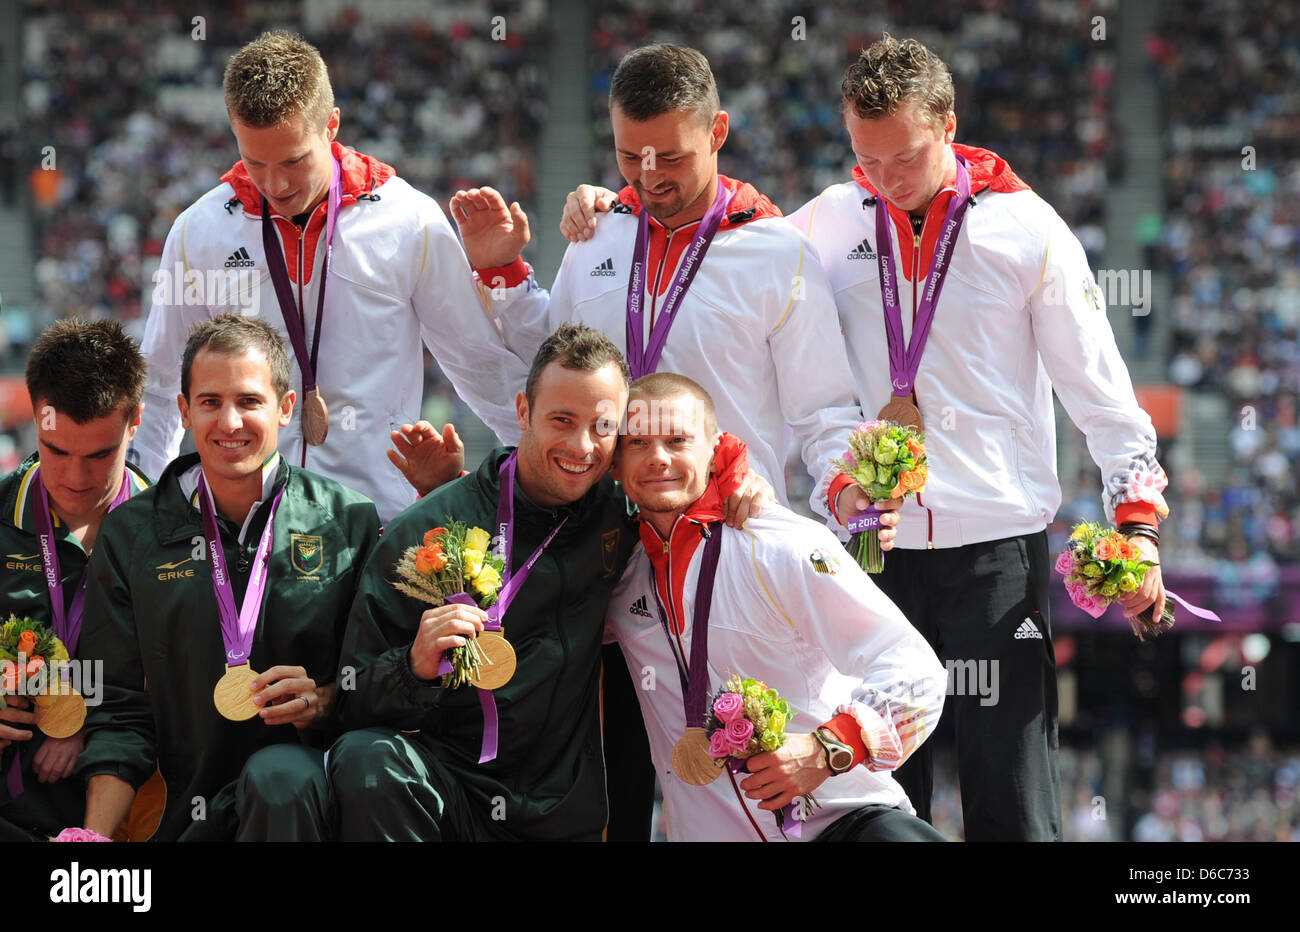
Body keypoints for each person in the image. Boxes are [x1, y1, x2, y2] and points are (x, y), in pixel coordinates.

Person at [564, 35, 1169, 843]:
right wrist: (613, 203)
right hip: (865, 550)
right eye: (865, 160)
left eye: (905, 159)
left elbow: (1103, 395)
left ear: (948, 125)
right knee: (877, 795)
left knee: (1013, 798)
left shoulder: (1030, 230)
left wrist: (1136, 526)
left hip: (992, 547)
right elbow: (714, 241)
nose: (885, 181)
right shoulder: (825, 221)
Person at [449, 43, 864, 521]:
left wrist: (844, 489)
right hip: (597, 534)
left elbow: (823, 411)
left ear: (717, 133)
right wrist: (503, 270)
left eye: (671, 157)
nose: (651, 178)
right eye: (631, 155)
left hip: (721, 533)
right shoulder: (596, 232)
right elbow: (555, 356)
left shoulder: (780, 254)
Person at [129, 30, 527, 524]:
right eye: (255, 162)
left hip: (373, 522)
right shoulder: (199, 230)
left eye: (294, 161)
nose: (275, 184)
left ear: (331, 125)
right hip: (243, 527)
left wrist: (547, 467)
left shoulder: (409, 220)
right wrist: (136, 507)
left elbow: (478, 362)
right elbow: (163, 382)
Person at [75, 314, 380, 841]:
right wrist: (92, 840)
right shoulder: (130, 533)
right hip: (178, 817)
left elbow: (378, 683)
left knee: (280, 776)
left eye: (249, 401)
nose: (230, 422)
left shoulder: (348, 521)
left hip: (304, 806)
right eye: (211, 402)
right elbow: (116, 708)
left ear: (286, 408)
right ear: (185, 411)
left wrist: (324, 701)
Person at [329, 323, 639, 841]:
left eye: (602, 425)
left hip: (559, 811)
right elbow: (348, 694)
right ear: (523, 411)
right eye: (561, 420)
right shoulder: (428, 530)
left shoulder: (621, 516)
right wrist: (412, 667)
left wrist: (741, 481)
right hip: (449, 796)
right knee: (365, 759)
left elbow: (693, 496)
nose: (582, 446)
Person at [607, 373, 947, 841]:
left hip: (844, 823)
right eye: (638, 442)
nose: (659, 457)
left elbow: (916, 670)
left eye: (678, 439)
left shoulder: (780, 544)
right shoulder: (616, 581)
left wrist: (826, 749)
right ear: (615, 463)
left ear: (714, 449)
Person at [0, 320, 150, 841]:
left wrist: (85, 719)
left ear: (135, 422)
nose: (74, 478)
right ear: (35, 413)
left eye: (99, 455)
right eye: (55, 450)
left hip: (140, 795)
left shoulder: (174, 533)